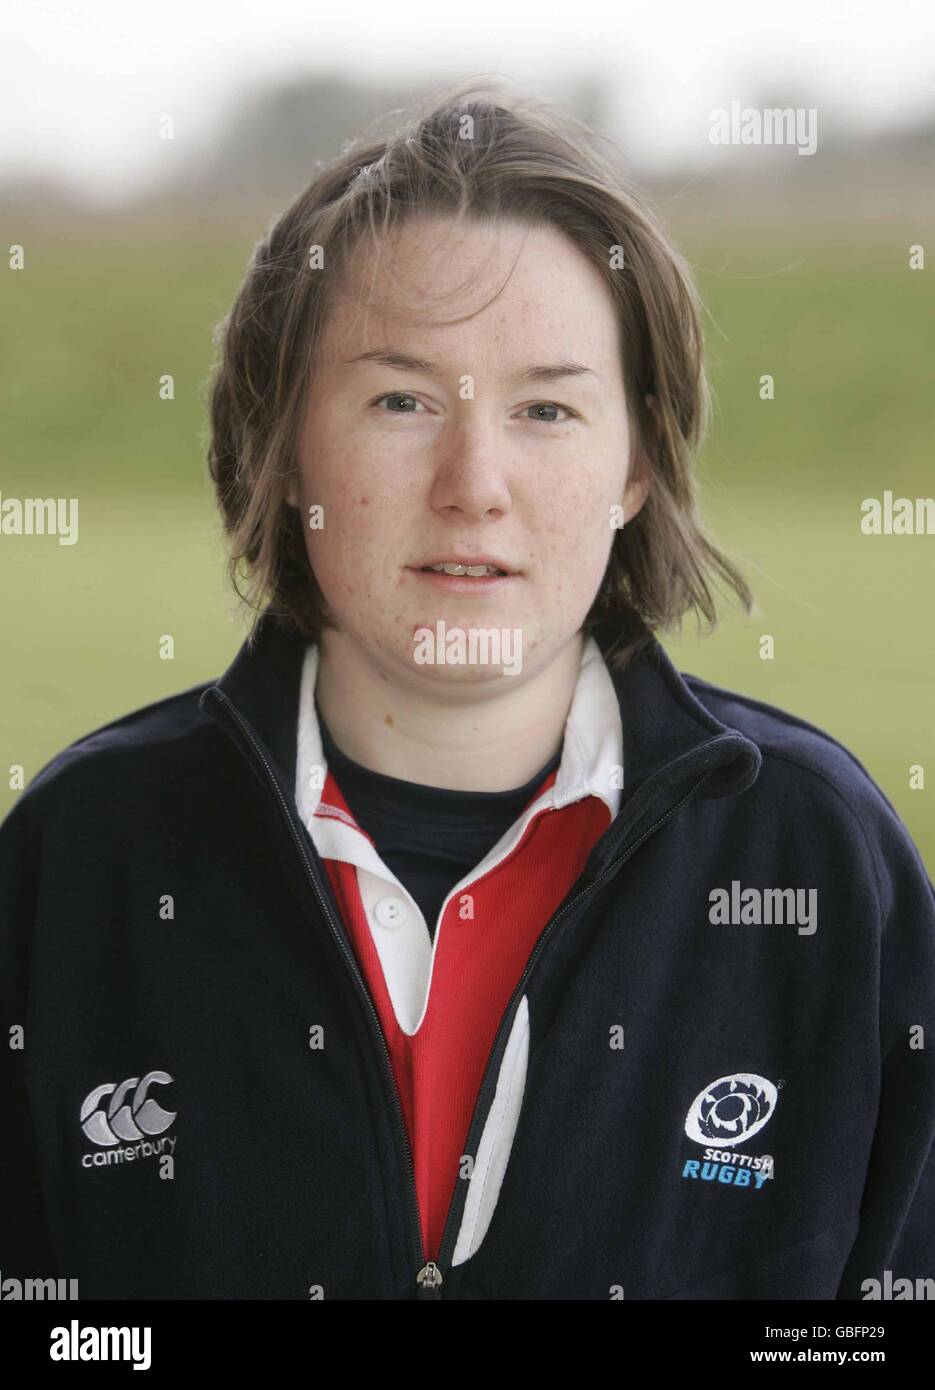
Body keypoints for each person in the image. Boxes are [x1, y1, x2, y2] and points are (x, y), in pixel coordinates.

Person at [2, 80, 934, 1302]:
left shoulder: (820, 857)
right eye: (400, 400)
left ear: (636, 466)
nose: (474, 481)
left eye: (547, 407)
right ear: (283, 448)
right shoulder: (80, 856)